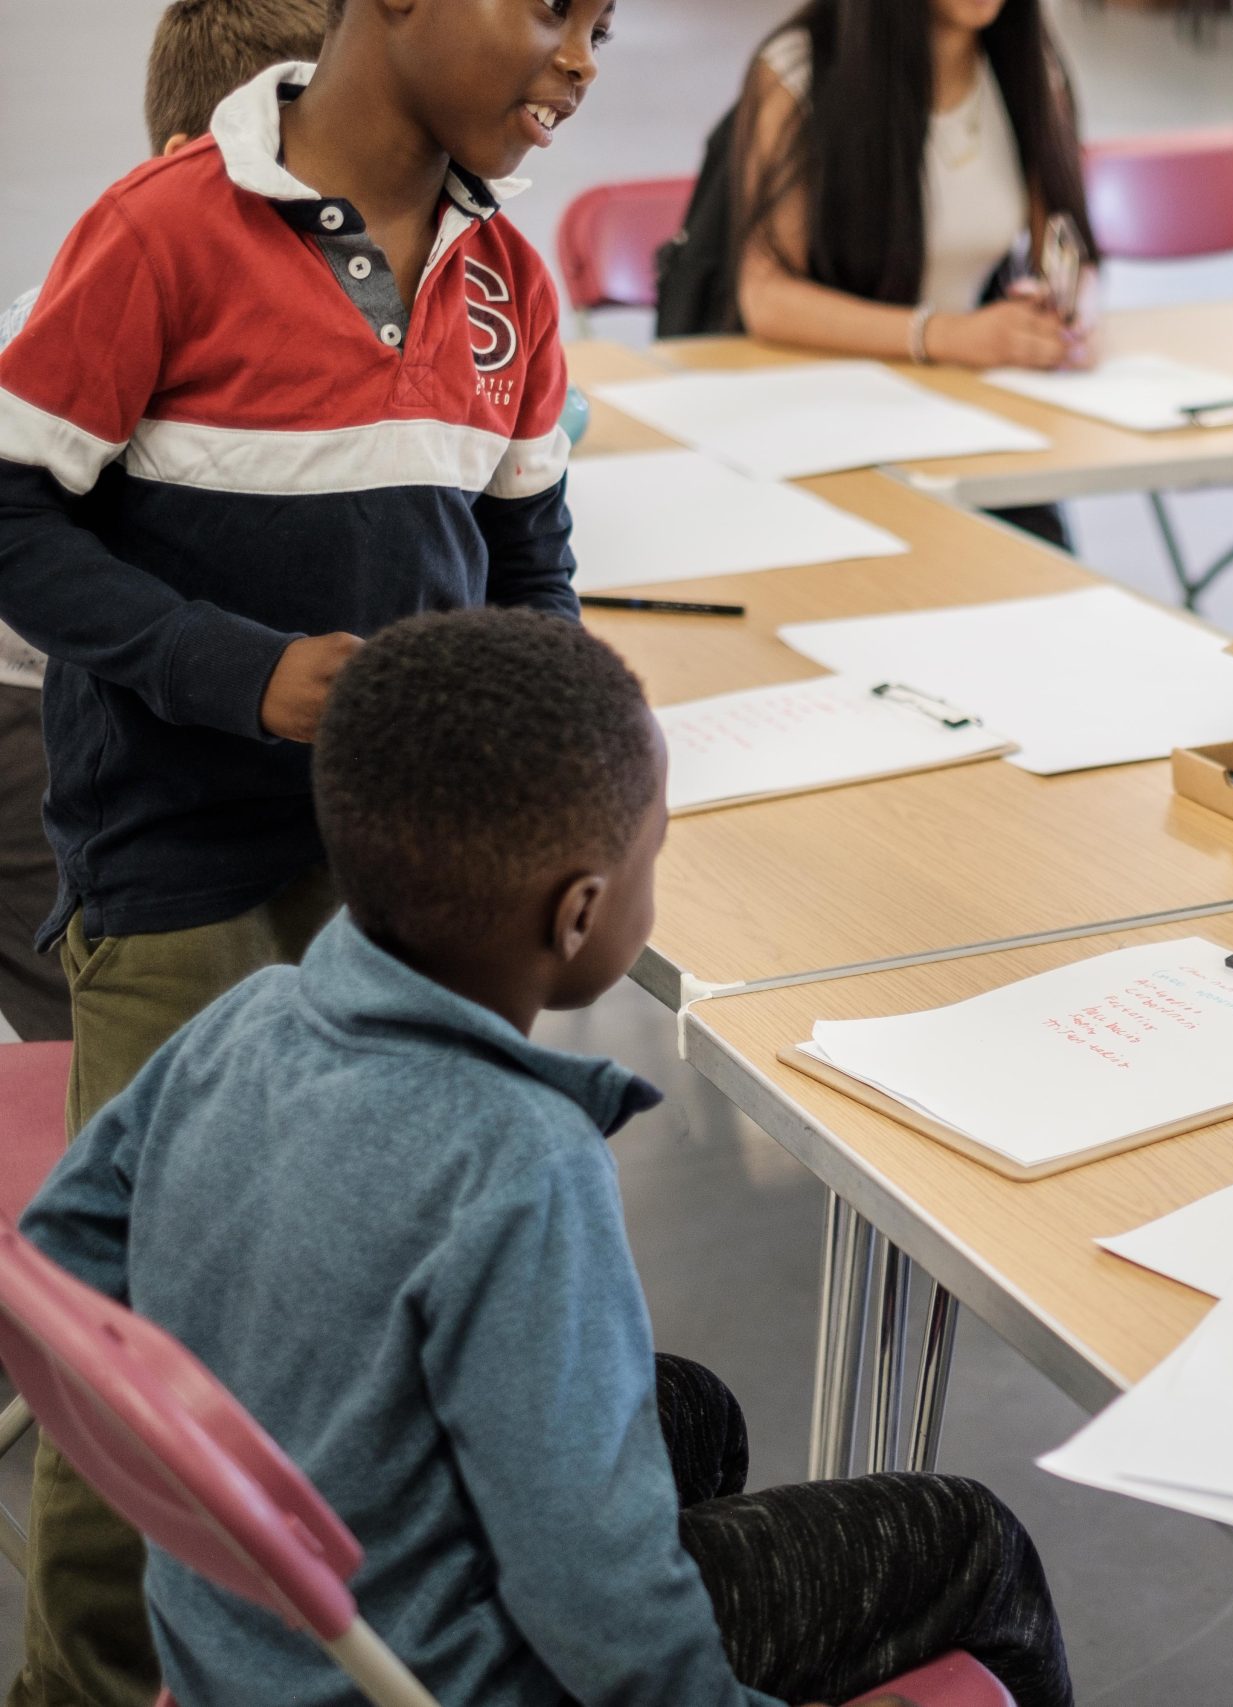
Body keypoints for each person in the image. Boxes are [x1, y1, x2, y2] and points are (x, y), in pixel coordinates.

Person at [18, 609, 1076, 1707]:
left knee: (691, 1410)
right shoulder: (520, 1165)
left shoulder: (247, 1019)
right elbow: (604, 1617)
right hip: (440, 1680)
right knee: (969, 1543)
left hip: (248, 1647)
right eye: (651, 855)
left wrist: (281, 1415)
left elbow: (67, 1253)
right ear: (578, 913)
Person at [0, 0, 603, 1695]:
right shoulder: (162, 230)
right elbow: (10, 512)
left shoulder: (512, 285)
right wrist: (241, 674)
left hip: (402, 897)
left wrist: (544, 766)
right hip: (181, 881)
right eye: (555, 8)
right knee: (152, 1360)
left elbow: (531, 568)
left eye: (609, 27)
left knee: (362, 1336)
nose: (582, 59)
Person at [0, 0, 332, 1048]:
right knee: (145, 1053)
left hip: (150, 700)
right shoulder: (100, 305)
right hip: (37, 711)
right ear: (203, 160)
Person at [662, 0, 1094, 546]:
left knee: (1042, 573)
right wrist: (944, 335)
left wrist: (1072, 310)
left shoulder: (1029, 67)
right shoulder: (801, 68)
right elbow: (766, 297)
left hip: (965, 408)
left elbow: (1068, 248)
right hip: (816, 410)